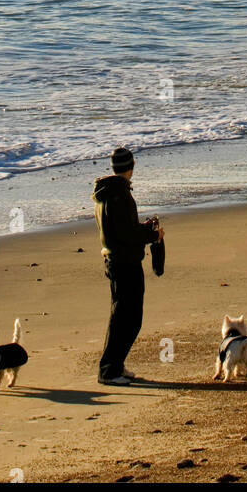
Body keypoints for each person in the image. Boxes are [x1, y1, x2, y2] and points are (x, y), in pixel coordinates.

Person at [92, 146, 163, 385]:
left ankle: (116, 366)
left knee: (123, 316)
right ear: (130, 167)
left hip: (116, 259)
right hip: (124, 262)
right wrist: (152, 234)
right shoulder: (118, 194)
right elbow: (127, 234)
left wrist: (143, 229)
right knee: (128, 318)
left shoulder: (106, 193)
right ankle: (109, 371)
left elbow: (120, 230)